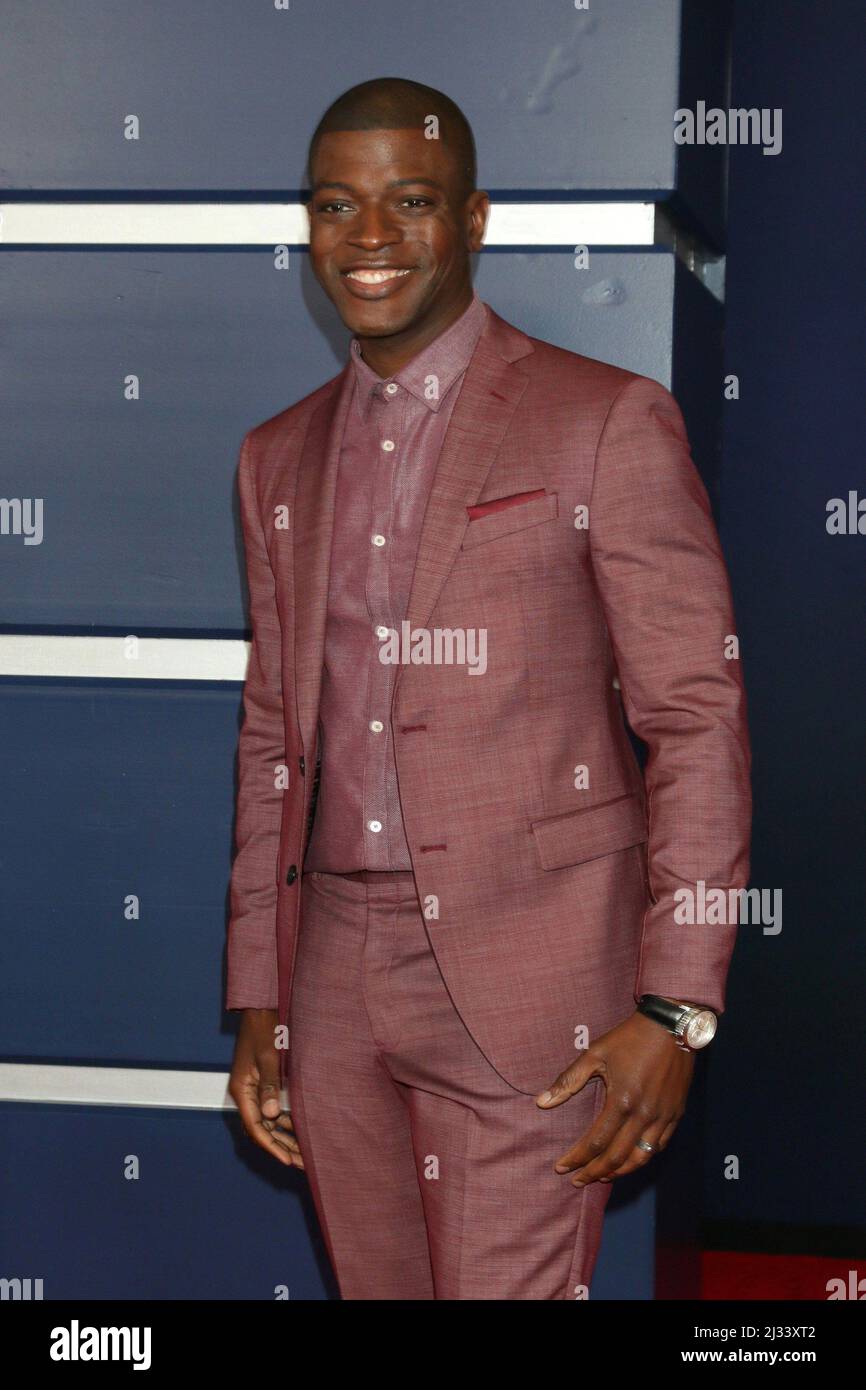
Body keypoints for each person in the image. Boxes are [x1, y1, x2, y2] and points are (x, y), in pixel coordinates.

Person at [226, 77, 751, 1300]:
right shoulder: (273, 455)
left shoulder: (602, 420)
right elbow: (270, 739)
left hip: (532, 976)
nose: (367, 238)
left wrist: (674, 1005)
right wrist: (261, 989)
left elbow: (694, 717)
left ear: (471, 220)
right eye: (333, 205)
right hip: (331, 979)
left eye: (408, 202)